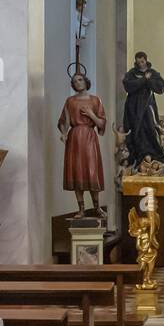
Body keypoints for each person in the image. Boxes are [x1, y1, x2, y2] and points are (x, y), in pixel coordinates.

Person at [58, 71, 106, 218]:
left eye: (80, 79)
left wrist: (91, 114)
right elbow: (64, 121)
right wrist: (64, 132)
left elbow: (101, 123)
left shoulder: (95, 100)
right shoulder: (70, 101)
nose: (78, 82)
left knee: (91, 170)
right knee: (77, 170)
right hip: (75, 138)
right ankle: (81, 209)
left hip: (89, 137)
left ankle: (97, 207)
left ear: (86, 81)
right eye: (75, 81)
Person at [121, 52, 164, 169]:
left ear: (146, 60)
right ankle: (138, 155)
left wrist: (148, 80)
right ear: (136, 62)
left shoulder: (153, 73)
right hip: (134, 106)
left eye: (142, 61)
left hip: (147, 104)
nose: (141, 64)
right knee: (137, 129)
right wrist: (143, 80)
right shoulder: (132, 73)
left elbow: (160, 88)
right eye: (138, 62)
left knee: (150, 127)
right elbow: (127, 85)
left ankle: (152, 154)